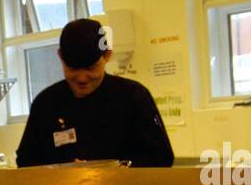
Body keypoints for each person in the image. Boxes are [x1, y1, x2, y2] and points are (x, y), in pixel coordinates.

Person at [15, 18, 174, 168]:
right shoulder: (46, 104)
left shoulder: (134, 97)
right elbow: (26, 159)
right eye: (73, 69)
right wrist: (60, 172)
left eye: (91, 68)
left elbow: (162, 156)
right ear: (60, 56)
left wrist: (113, 170)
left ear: (107, 55)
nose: (82, 78)